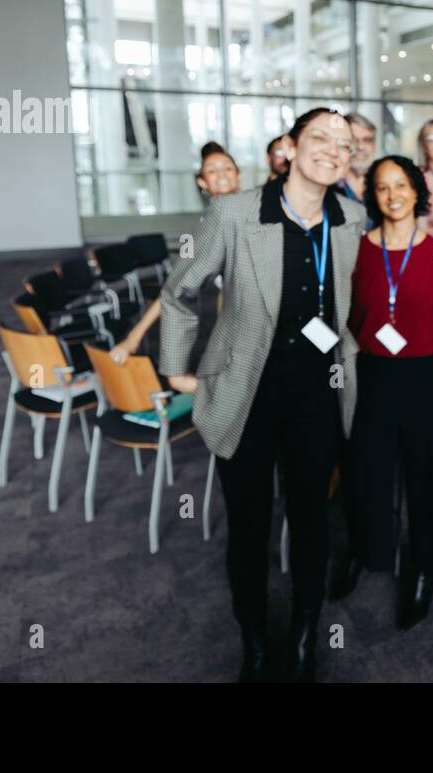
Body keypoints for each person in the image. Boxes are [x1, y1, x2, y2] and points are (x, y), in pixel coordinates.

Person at [159, 107, 366, 684]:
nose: (332, 149)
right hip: (244, 395)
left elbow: (353, 305)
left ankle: (303, 641)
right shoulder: (232, 213)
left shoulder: (351, 217)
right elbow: (180, 290)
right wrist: (176, 367)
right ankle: (253, 645)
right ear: (291, 146)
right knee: (248, 529)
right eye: (319, 137)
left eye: (344, 144)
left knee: (311, 524)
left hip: (317, 397)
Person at [337, 155, 433, 628]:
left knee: (426, 477)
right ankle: (366, 551)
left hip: (425, 378)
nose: (392, 195)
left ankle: (424, 567)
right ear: (373, 196)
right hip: (373, 374)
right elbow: (351, 315)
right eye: (382, 187)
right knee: (366, 472)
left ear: (416, 192)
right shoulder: (359, 249)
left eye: (401, 185)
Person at [112, 147, 241, 365]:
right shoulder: (202, 231)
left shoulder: (262, 212)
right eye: (212, 170)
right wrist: (134, 338)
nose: (221, 174)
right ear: (202, 182)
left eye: (227, 168)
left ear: (238, 175)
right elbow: (174, 288)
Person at [336, 112, 377, 209]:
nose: (360, 147)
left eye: (367, 140)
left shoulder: (383, 185)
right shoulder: (327, 186)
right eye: (353, 140)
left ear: (374, 145)